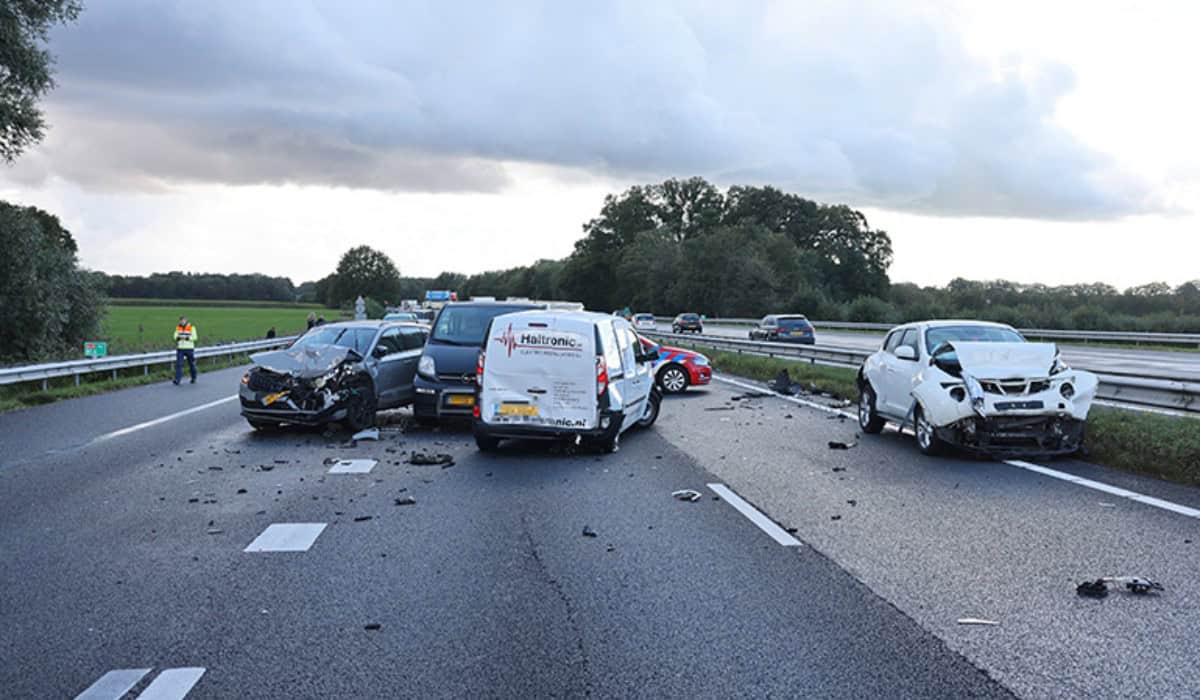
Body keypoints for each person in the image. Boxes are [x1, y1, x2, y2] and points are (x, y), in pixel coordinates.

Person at [173, 316, 198, 385]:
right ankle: (177, 380)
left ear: (186, 320)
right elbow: (175, 335)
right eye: (181, 321)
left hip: (189, 348)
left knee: (191, 364)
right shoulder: (178, 327)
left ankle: (194, 377)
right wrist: (178, 337)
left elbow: (195, 337)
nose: (182, 322)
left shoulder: (191, 327)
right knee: (179, 364)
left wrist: (187, 338)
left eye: (183, 321)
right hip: (180, 348)